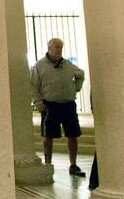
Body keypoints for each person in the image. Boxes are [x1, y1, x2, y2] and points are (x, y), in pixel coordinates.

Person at [31, 38, 86, 176]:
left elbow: (81, 75)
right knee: (48, 136)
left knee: (73, 134)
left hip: (68, 104)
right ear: (49, 48)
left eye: (61, 47)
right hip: (50, 105)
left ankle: (73, 165)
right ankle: (48, 164)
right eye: (56, 47)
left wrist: (76, 88)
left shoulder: (67, 64)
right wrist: (38, 102)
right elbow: (33, 85)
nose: (59, 50)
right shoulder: (39, 65)